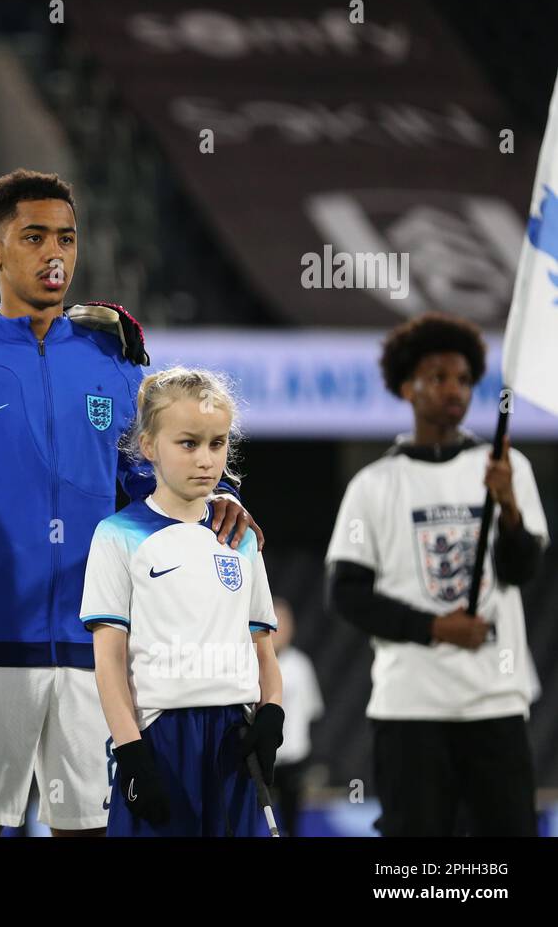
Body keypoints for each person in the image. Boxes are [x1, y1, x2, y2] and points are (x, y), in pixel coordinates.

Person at [0, 170, 262, 836]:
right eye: (33, 237)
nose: (54, 253)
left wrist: (223, 495)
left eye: (66, 237)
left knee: (89, 832)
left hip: (95, 640)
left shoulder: (113, 365)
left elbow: (155, 468)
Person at [325, 312, 548, 837]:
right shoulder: (374, 485)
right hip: (411, 709)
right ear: (407, 386)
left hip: (495, 701)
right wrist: (435, 627)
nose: (455, 389)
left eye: (465, 380)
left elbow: (523, 570)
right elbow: (347, 595)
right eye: (439, 377)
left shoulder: (506, 469)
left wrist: (510, 506)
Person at [80, 367, 283, 836]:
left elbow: (262, 648)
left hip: (234, 742)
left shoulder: (241, 538)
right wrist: (131, 751)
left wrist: (271, 712)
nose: (206, 460)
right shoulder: (117, 535)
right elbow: (108, 662)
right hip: (159, 741)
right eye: (188, 443)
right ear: (149, 447)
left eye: (217, 443)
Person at [270, 598, 323, 837]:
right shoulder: (249, 664)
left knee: (292, 824)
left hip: (293, 759)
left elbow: (312, 709)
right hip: (260, 761)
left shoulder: (300, 665)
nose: (279, 630)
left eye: (284, 623)